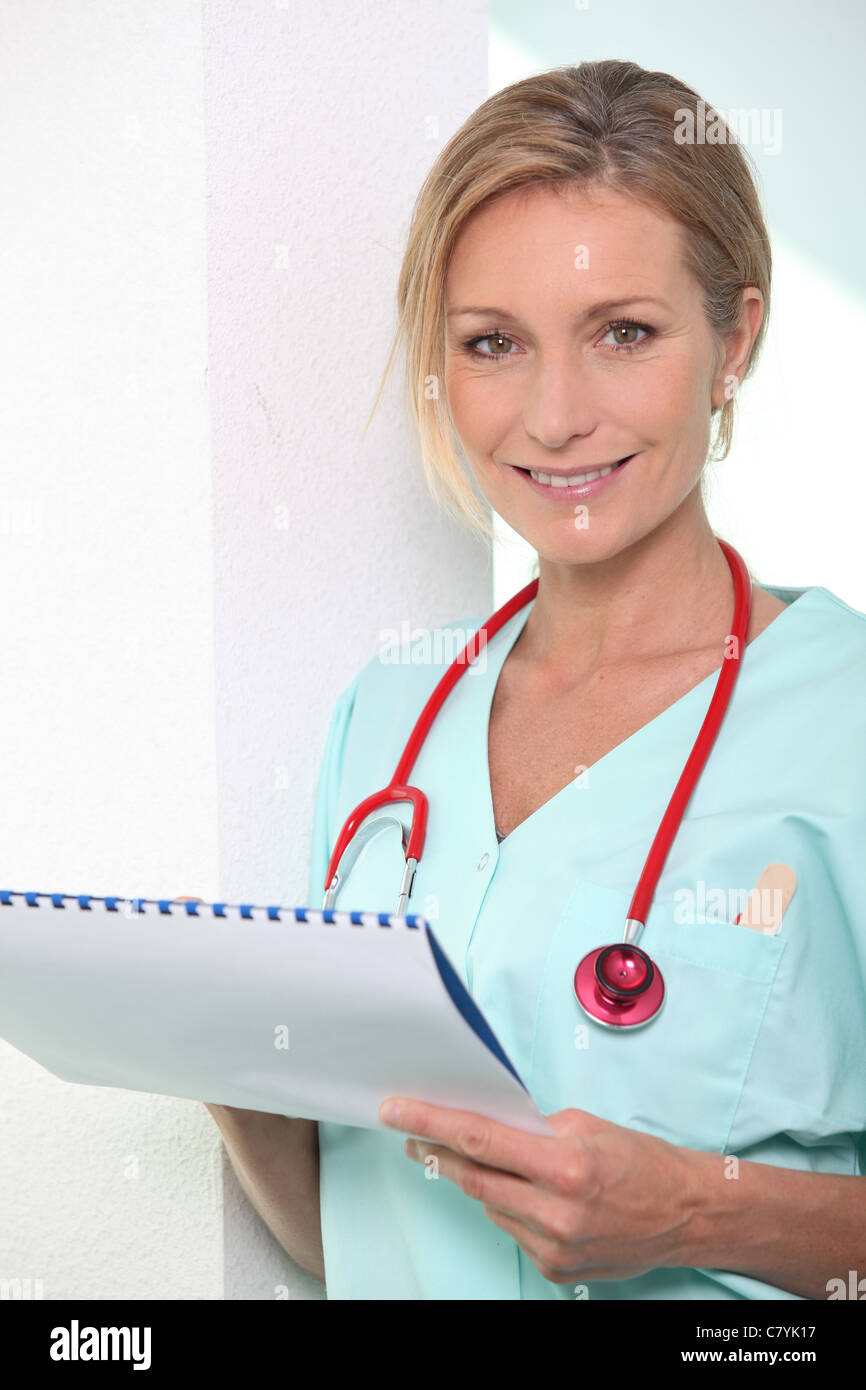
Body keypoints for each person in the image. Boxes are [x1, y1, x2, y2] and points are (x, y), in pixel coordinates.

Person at [206, 59, 866, 1300]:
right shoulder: (387, 719)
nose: (555, 416)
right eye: (493, 344)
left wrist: (683, 1211)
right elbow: (367, 1240)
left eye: (623, 333)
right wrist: (240, 1100)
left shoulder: (843, 720)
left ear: (734, 337)